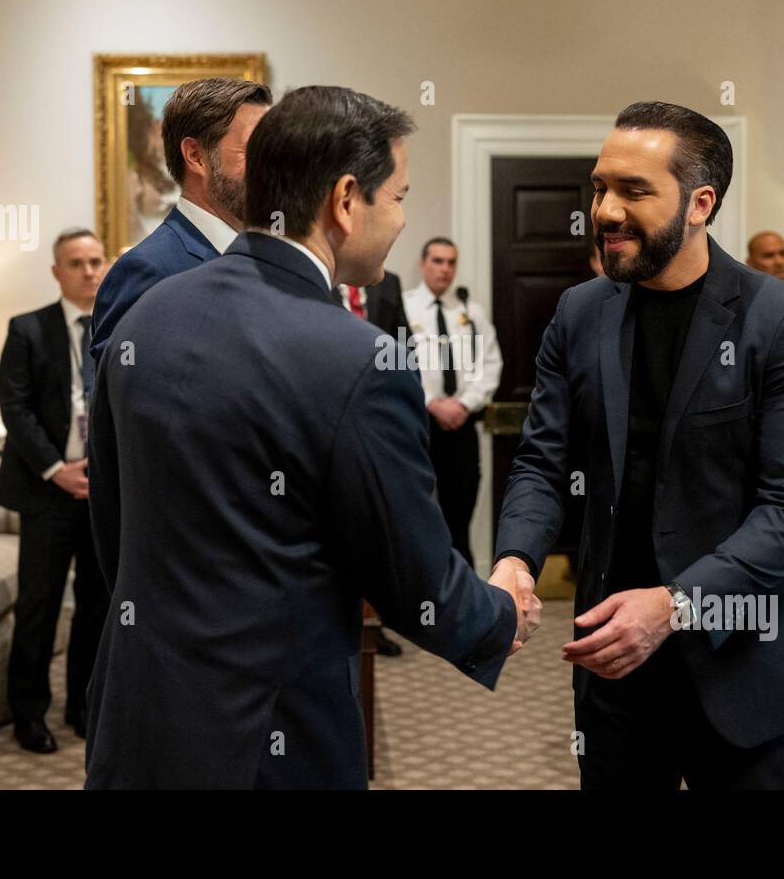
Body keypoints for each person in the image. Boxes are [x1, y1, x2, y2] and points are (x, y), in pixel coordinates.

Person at [84, 86, 540, 788]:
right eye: (398, 198)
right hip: (269, 735)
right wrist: (501, 609)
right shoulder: (359, 358)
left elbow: (113, 515)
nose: (403, 220)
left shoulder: (148, 315)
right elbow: (413, 580)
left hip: (139, 711)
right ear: (346, 198)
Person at [494, 101, 784, 789]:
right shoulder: (579, 312)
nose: (605, 210)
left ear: (699, 204)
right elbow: (541, 460)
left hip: (745, 660)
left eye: (634, 191)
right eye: (600, 187)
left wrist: (675, 604)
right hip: (614, 666)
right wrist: (515, 560)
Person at [0, 228, 110, 752]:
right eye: (76, 263)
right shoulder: (28, 330)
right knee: (38, 607)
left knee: (96, 604)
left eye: (95, 261)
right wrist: (55, 469)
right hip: (45, 492)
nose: (88, 271)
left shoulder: (121, 326)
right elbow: (14, 409)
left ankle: (83, 706)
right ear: (56, 272)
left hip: (103, 491)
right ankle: (29, 714)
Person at [89, 77, 272, 362]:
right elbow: (127, 399)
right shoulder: (146, 271)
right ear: (196, 156)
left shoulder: (267, 258)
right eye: (255, 150)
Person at [402, 238, 503, 565]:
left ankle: (463, 602)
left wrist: (464, 404)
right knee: (418, 517)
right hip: (420, 426)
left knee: (459, 519)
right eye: (437, 261)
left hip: (461, 427)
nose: (444, 269)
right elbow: (396, 363)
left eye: (450, 262)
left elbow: (490, 363)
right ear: (423, 263)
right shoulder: (404, 307)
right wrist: (432, 402)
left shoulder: (469, 311)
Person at [334, 271, 411, 657]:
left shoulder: (388, 283)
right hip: (333, 418)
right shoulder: (321, 277)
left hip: (380, 420)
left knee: (381, 527)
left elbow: (403, 344)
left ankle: (377, 625)